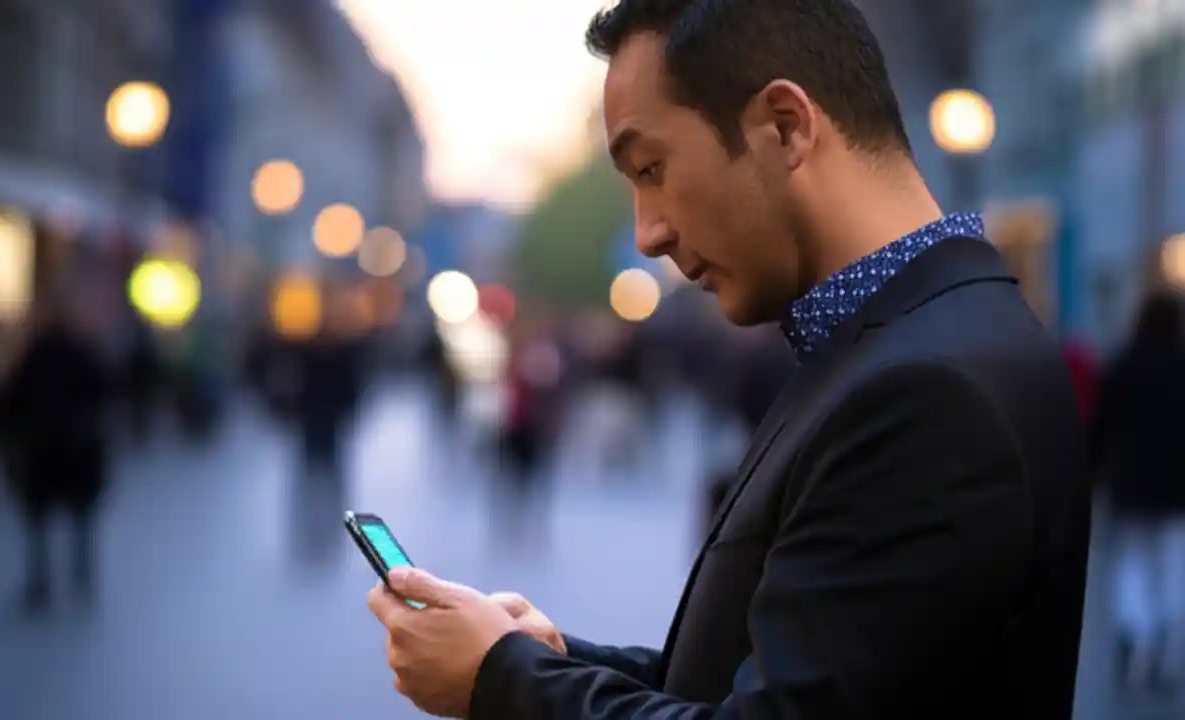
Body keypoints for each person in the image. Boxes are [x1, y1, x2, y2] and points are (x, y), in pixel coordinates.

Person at [365, 2, 1090, 718]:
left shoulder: (926, 390)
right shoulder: (911, 339)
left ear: (785, 127)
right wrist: (543, 658)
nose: (647, 234)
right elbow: (776, 677)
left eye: (652, 168)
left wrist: (504, 680)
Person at [1091, 292, 1185, 694]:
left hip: (1130, 487)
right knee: (1172, 570)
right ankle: (1165, 648)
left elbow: (1101, 429)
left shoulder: (1122, 366)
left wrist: (1092, 476)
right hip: (1178, 489)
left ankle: (1137, 635)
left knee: (1131, 568)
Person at [3, 298, 110, 613]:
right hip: (72, 450)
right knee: (80, 519)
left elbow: (13, 401)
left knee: (39, 522)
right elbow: (102, 394)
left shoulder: (34, 356)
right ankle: (80, 575)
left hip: (44, 450)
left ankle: (41, 581)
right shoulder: (80, 354)